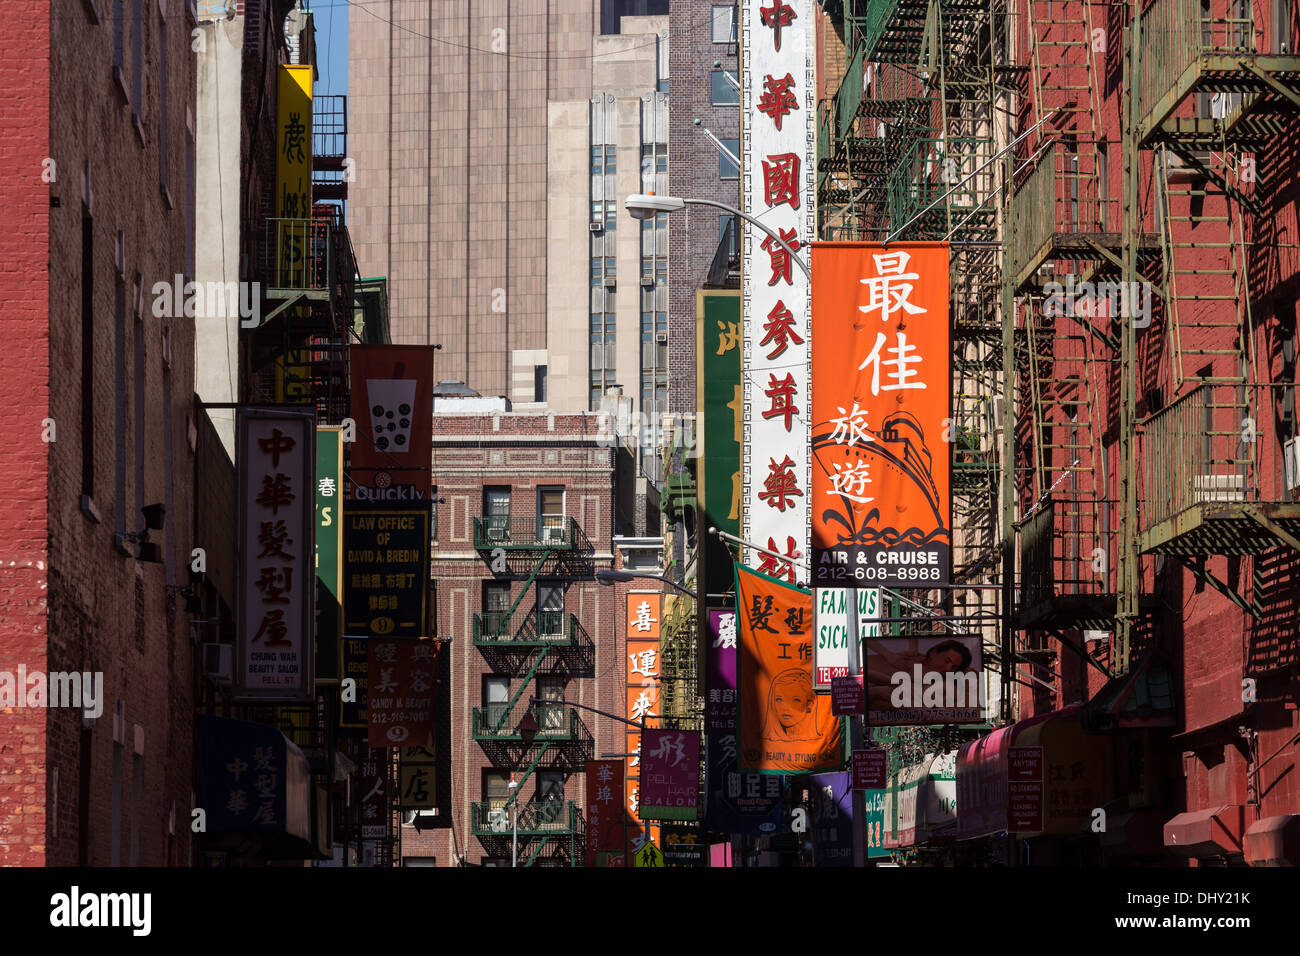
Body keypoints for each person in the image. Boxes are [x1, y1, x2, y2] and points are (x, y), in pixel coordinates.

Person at [864, 638, 973, 710]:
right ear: (933, 653)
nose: (948, 668)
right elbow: (865, 640)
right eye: (947, 661)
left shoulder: (933, 684)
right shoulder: (908, 658)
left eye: (954, 667)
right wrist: (887, 654)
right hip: (855, 673)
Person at [764, 668, 819, 741]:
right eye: (779, 699)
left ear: (810, 704)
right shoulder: (766, 740)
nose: (785, 707)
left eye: (796, 700)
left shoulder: (820, 742)